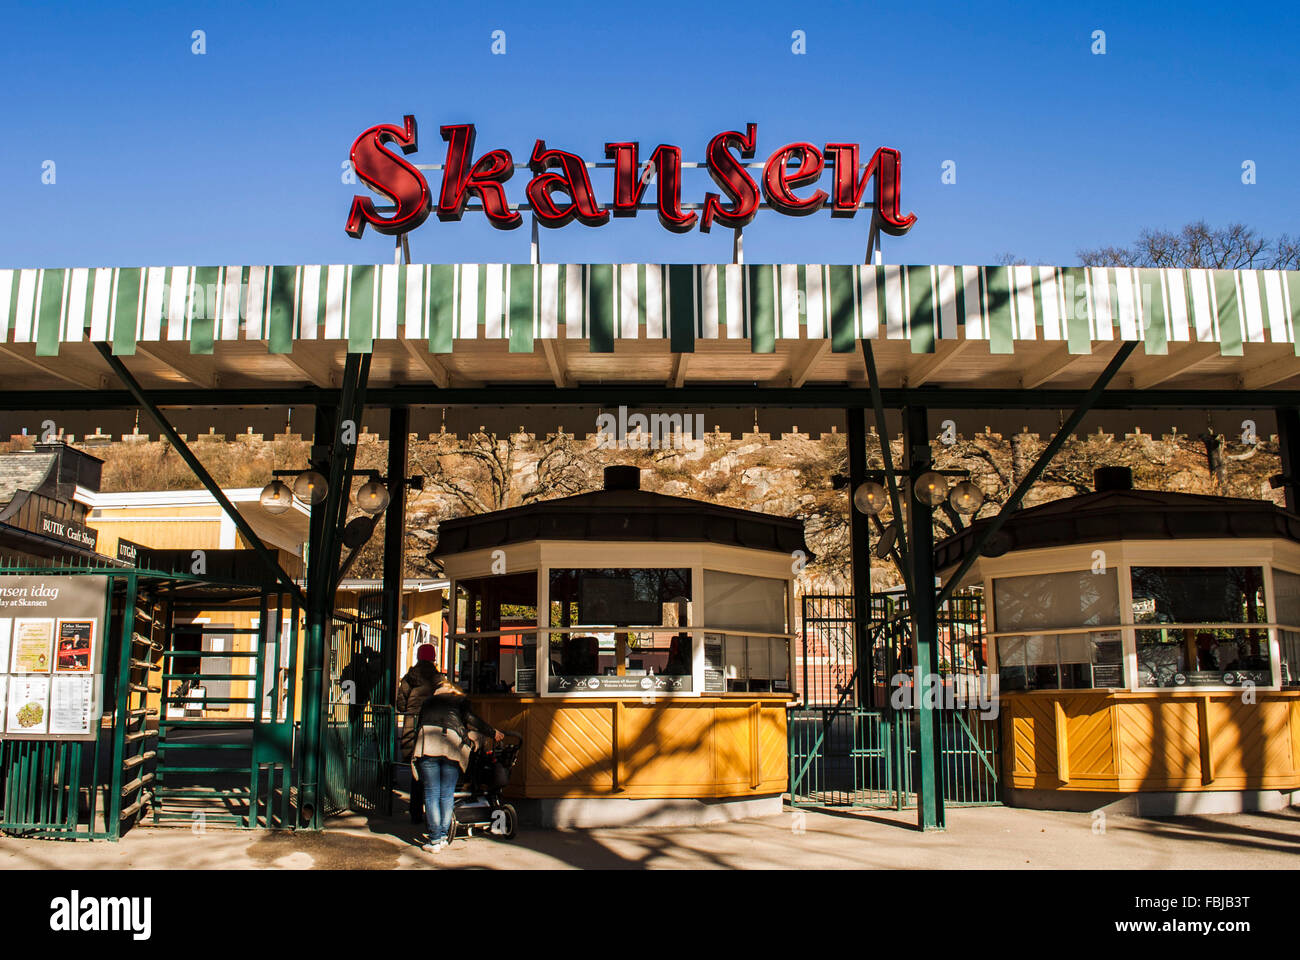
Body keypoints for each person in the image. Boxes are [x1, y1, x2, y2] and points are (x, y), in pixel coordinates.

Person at [411, 679, 502, 852]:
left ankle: (434, 839)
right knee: (446, 794)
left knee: (431, 794)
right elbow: (472, 720)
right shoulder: (460, 701)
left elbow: (419, 724)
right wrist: (492, 732)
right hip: (451, 747)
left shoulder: (428, 702)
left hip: (428, 745)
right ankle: (443, 836)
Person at [396, 645, 444, 825]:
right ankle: (434, 816)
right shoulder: (438, 679)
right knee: (434, 773)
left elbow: (400, 704)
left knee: (416, 774)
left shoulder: (409, 678)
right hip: (432, 728)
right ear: (433, 658)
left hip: (412, 728)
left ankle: (415, 813)